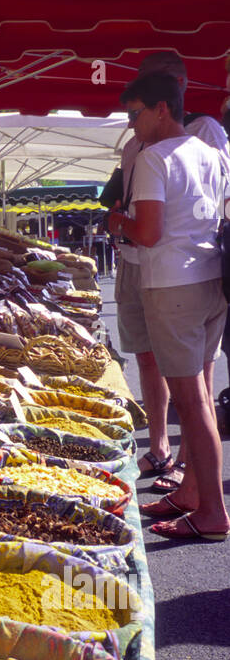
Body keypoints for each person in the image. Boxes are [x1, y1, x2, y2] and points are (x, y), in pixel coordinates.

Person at [107, 71, 230, 540]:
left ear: (162, 108)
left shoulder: (156, 158)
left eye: (135, 113)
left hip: (172, 286)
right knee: (199, 393)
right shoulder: (212, 153)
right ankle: (194, 496)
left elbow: (148, 232)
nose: (131, 124)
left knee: (192, 402)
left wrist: (119, 221)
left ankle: (212, 512)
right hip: (210, 279)